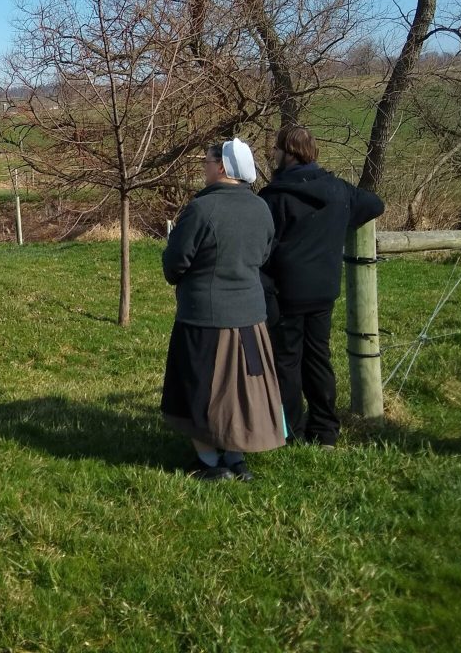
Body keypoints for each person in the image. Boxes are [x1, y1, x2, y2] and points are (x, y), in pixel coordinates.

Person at [161, 138, 284, 481]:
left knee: (202, 391)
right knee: (238, 394)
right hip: (250, 318)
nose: (203, 168)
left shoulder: (202, 210)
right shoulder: (261, 208)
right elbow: (262, 256)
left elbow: (175, 264)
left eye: (206, 162)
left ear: (221, 167)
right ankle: (235, 458)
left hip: (205, 319)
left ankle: (211, 464)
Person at [259, 125, 384, 448]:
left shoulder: (275, 196)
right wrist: (340, 222)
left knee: (286, 360)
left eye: (276, 149)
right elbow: (374, 204)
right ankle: (325, 429)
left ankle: (289, 429)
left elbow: (262, 241)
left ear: (288, 153)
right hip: (324, 288)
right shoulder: (338, 190)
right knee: (318, 357)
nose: (273, 154)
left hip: (284, 290)